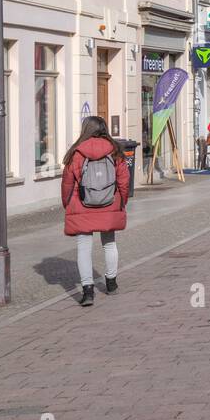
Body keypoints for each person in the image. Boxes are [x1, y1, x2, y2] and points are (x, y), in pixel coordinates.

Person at [60, 116, 131, 307]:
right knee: (109, 243)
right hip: (110, 202)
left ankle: (88, 291)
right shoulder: (115, 151)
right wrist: (121, 201)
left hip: (81, 204)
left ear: (85, 130)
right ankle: (111, 283)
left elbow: (67, 183)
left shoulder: (76, 153)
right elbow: (124, 181)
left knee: (84, 247)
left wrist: (67, 203)